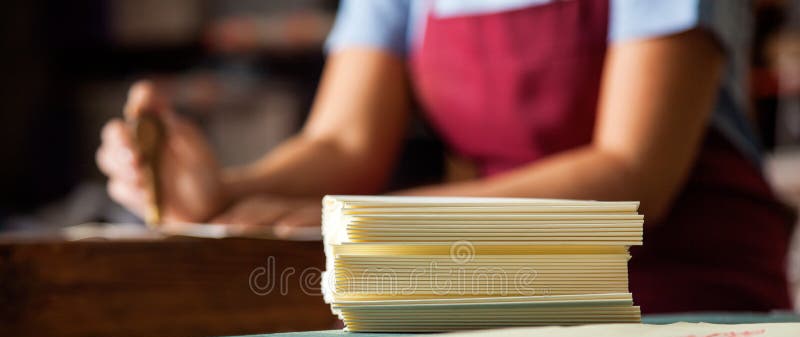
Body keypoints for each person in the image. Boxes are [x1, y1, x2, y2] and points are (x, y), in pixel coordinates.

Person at [97, 0, 795, 314]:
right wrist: (219, 192)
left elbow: (631, 177)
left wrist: (350, 222)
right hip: (511, 283)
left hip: (689, 291)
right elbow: (343, 143)